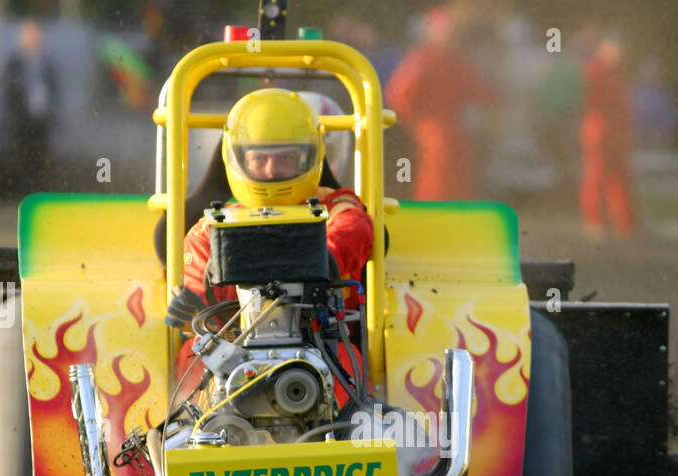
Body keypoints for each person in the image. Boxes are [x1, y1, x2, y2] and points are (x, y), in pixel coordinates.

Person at [171, 88, 374, 390]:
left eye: (287, 158)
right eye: (259, 159)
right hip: (234, 351)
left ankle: (346, 433)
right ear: (237, 158)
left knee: (347, 362)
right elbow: (199, 307)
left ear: (311, 157)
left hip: (321, 343)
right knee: (193, 357)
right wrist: (196, 315)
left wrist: (319, 260)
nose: (272, 171)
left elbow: (355, 232)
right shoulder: (209, 231)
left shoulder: (336, 209)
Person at [385, 6, 493, 201]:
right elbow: (399, 95)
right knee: (436, 176)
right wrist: (414, 123)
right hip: (433, 129)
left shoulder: (454, 59)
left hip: (451, 127)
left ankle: (455, 216)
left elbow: (481, 92)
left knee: (458, 174)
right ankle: (433, 214)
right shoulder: (423, 58)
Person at [579, 35, 635, 239]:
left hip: (616, 131)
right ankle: (595, 222)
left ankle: (625, 223)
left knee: (620, 176)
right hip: (600, 128)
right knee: (597, 175)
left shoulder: (616, 73)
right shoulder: (594, 70)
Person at [4, 18, 57, 195]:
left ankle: (38, 196)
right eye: (29, 36)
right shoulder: (14, 65)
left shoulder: (47, 65)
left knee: (40, 161)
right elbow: (8, 92)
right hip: (21, 123)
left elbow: (54, 91)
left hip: (42, 123)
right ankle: (21, 196)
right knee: (22, 161)